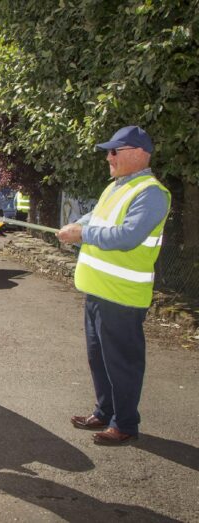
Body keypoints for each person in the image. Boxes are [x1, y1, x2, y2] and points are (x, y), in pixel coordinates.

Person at [57, 126, 170, 446]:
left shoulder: (150, 193)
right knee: (99, 358)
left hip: (121, 296)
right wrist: (77, 226)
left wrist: (82, 235)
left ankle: (125, 423)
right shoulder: (117, 187)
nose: (108, 157)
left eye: (114, 151)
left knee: (122, 362)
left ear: (137, 154)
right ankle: (104, 411)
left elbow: (128, 237)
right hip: (98, 291)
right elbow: (94, 217)